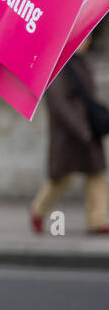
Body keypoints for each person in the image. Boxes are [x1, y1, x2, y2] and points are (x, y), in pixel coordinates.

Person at [31, 36, 109, 235]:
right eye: (85, 39)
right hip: (70, 133)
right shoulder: (59, 67)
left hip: (86, 130)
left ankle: (97, 220)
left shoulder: (80, 63)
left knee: (96, 173)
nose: (88, 42)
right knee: (61, 178)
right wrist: (81, 129)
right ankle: (38, 210)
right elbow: (61, 105)